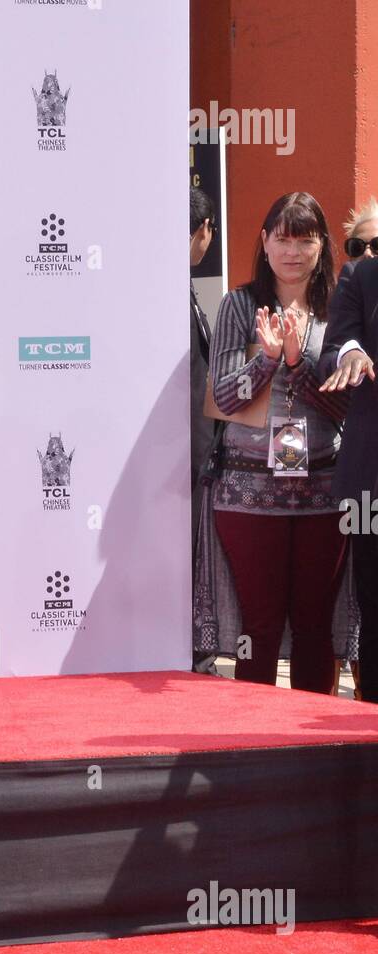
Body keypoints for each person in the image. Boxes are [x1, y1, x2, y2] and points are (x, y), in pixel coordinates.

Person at [193, 192, 356, 690]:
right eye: (282, 239)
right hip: (247, 494)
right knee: (258, 627)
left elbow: (346, 408)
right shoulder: (240, 305)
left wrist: (296, 362)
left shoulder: (339, 307)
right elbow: (224, 397)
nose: (292, 252)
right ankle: (255, 731)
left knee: (315, 626)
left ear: (322, 246)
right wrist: (266, 360)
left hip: (324, 493)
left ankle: (309, 733)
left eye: (304, 240)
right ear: (264, 243)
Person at [318, 226, 378, 702]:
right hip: (371, 485)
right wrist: (352, 352)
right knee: (375, 609)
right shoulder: (360, 277)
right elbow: (336, 348)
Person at [189, 187, 219, 674]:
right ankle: (197, 659)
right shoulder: (164, 291)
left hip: (195, 457)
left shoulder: (184, 290)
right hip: (183, 460)